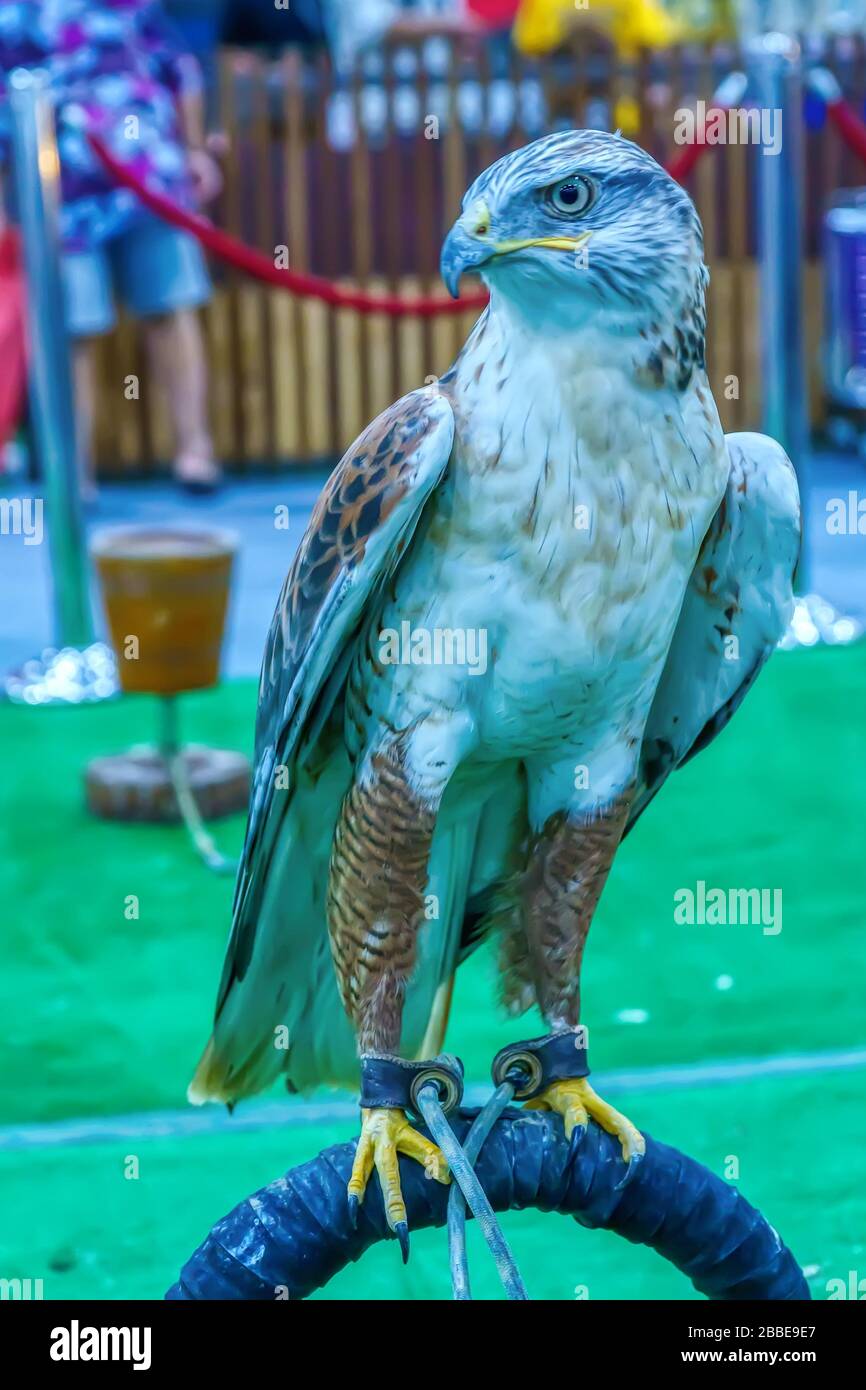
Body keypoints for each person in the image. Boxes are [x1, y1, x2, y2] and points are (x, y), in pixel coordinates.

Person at [0, 0, 224, 494]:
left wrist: (193, 152)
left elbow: (179, 69)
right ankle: (72, 474)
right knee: (70, 331)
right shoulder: (13, 13)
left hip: (150, 179)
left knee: (172, 308)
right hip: (61, 200)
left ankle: (195, 450)